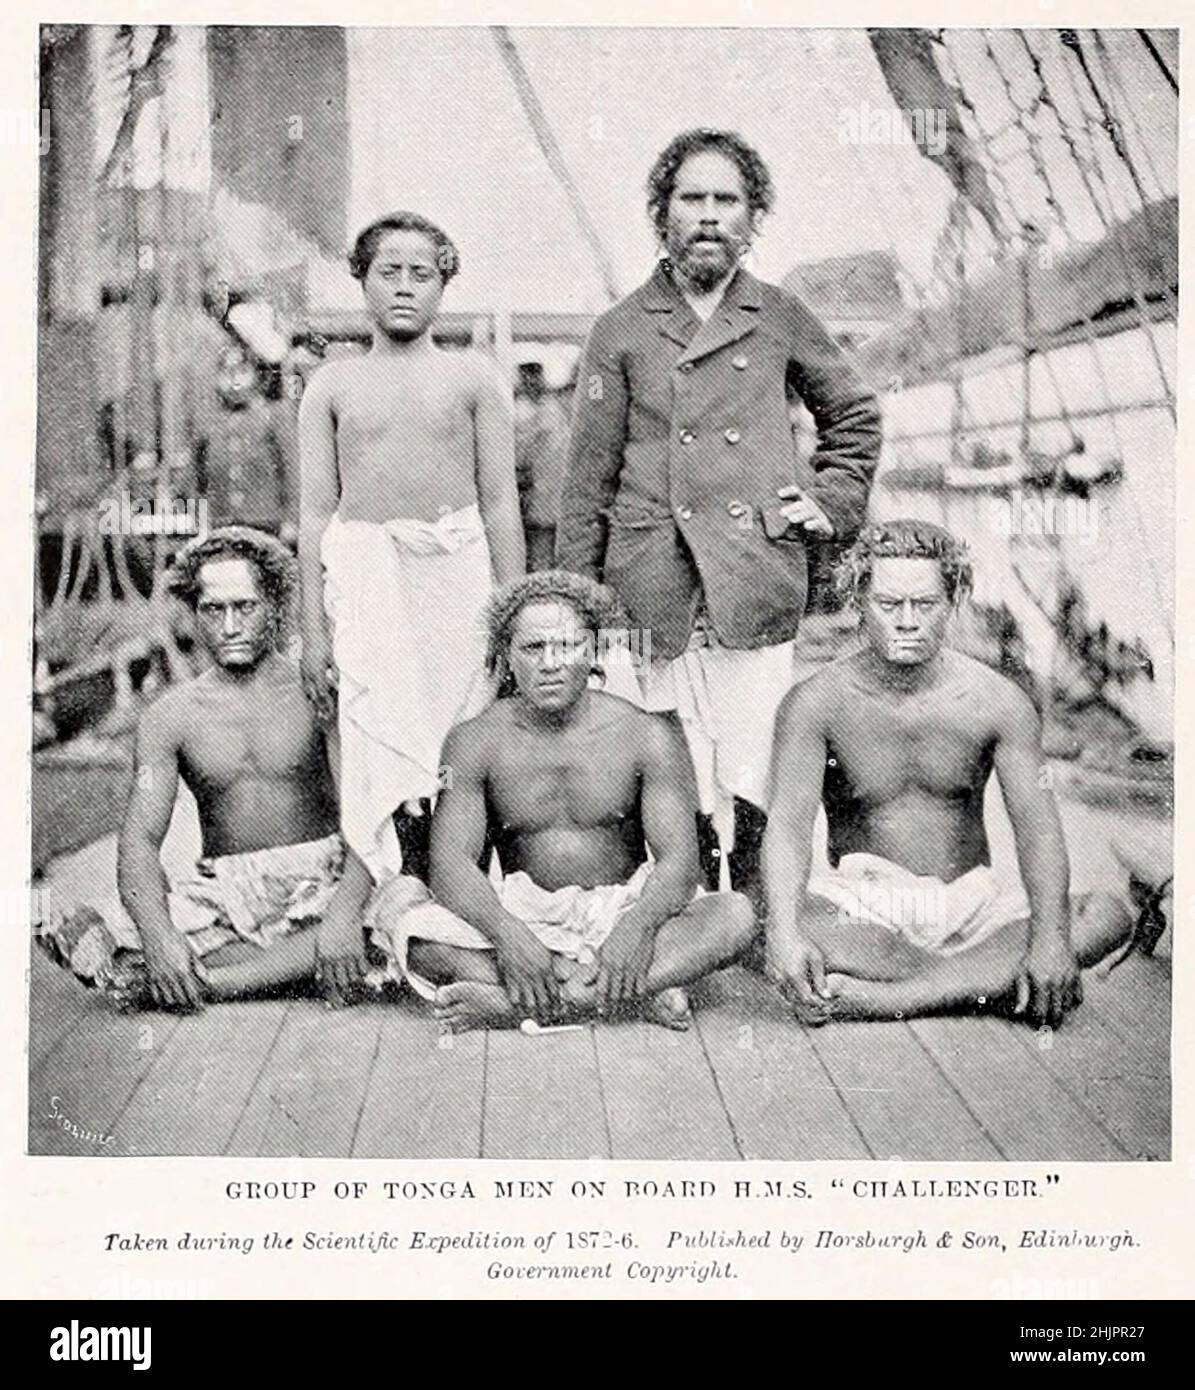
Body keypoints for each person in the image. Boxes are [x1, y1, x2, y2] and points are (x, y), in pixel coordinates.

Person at [557, 128, 882, 902]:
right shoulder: (621, 328)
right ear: (661, 213)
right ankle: (682, 921)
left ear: (752, 216)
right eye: (691, 198)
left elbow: (855, 416)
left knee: (756, 759)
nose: (708, 216)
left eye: (725, 200)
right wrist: (577, 605)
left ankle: (762, 919)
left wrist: (830, 499)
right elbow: (586, 484)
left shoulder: (778, 315)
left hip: (751, 570)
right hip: (647, 581)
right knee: (666, 763)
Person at [762, 519, 1145, 1028]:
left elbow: (1039, 830)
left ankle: (899, 996)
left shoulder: (998, 701)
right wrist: (786, 936)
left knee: (1107, 913)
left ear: (955, 600)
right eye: (888, 604)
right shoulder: (814, 702)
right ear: (858, 600)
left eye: (924, 605)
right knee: (775, 919)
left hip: (973, 906)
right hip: (865, 906)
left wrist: (1051, 941)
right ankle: (983, 985)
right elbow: (787, 831)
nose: (906, 621)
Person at [370, 571, 756, 1033]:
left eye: (567, 646)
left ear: (593, 650)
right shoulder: (473, 742)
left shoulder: (645, 734)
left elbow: (679, 863)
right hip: (522, 914)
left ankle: (529, 1005)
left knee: (734, 915)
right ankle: (631, 992)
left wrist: (637, 931)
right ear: (506, 657)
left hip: (621, 910)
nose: (550, 663)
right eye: (532, 649)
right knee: (412, 933)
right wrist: (509, 936)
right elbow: (451, 864)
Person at [37, 528, 376, 1009]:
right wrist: (157, 938)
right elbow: (139, 839)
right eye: (213, 610)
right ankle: (287, 967)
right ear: (194, 613)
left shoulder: (318, 694)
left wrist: (343, 912)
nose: (230, 626)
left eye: (246, 606)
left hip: (321, 880)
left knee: (389, 917)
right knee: (119, 926)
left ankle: (218, 982)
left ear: (275, 606)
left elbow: (366, 817)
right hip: (228, 896)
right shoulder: (170, 716)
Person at [298, 211, 525, 884]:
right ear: (361, 281)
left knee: (464, 734)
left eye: (420, 274)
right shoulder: (331, 385)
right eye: (387, 271)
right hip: (369, 585)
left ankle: (463, 891)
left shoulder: (475, 378)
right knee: (380, 742)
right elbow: (314, 516)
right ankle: (393, 896)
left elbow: (501, 506)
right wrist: (313, 635)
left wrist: (513, 617)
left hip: (458, 583)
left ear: (443, 285)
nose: (403, 287)